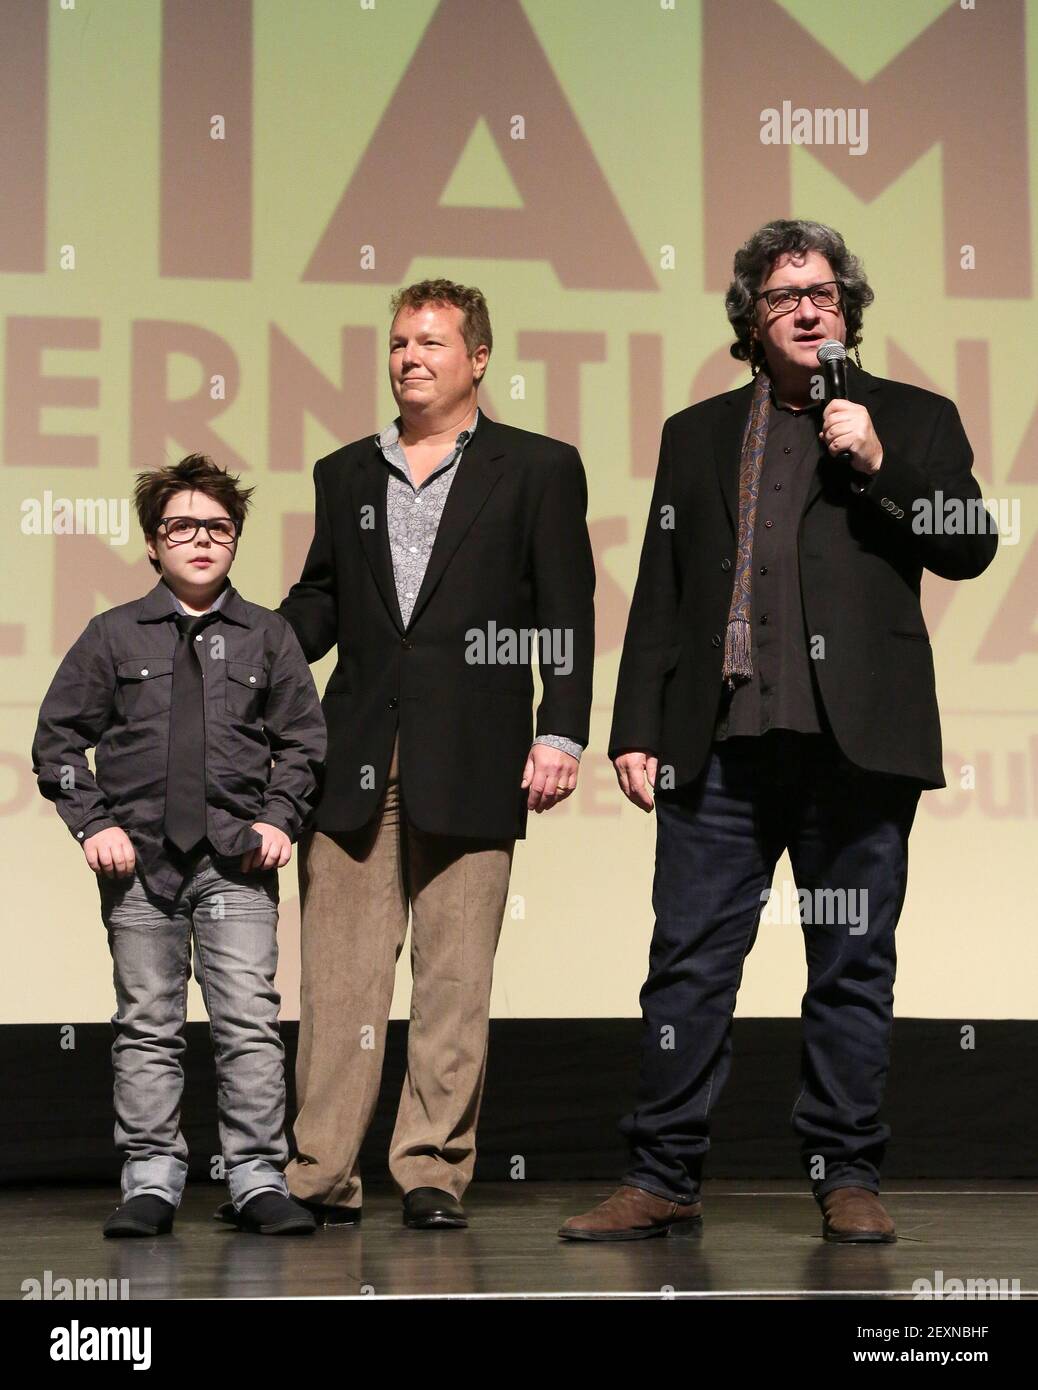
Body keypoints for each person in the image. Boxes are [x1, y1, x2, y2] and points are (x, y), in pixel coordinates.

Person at [559, 219, 998, 1244]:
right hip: (721, 746)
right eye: (784, 296)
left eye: (825, 294)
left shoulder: (912, 417)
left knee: (851, 966)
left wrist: (881, 462)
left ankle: (848, 1174)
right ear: (750, 322)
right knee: (688, 966)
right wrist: (635, 724)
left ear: (849, 313)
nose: (808, 309)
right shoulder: (698, 434)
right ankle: (662, 1174)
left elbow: (971, 544)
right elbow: (663, 588)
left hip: (857, 751)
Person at [277, 278, 595, 1229]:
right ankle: (320, 1173)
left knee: (454, 981)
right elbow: (323, 599)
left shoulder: (537, 467)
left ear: (479, 358)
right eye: (399, 343)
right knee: (340, 982)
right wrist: (253, 645)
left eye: (431, 342)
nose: (410, 357)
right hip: (354, 754)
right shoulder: (345, 472)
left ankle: (430, 1170)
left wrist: (560, 729)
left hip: (476, 753)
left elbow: (565, 609)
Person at [31, 455, 327, 1237]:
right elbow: (57, 743)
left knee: (248, 1024)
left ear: (236, 541)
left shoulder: (269, 636)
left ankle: (257, 1178)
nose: (201, 540)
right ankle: (151, 1181)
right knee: (147, 1026)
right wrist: (93, 824)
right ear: (152, 543)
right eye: (182, 527)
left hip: (237, 865)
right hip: (139, 867)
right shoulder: (111, 634)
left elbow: (304, 744)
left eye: (218, 528)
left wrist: (280, 818)